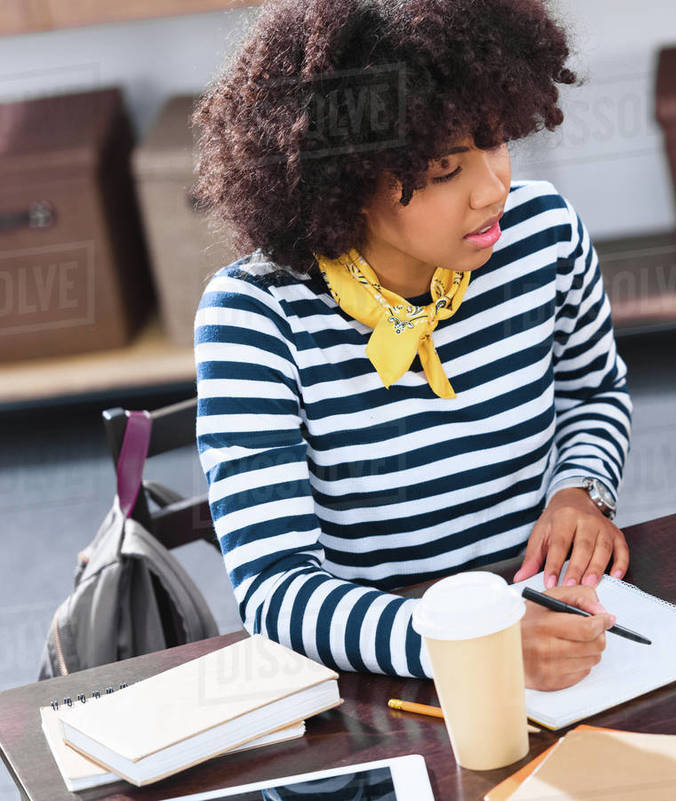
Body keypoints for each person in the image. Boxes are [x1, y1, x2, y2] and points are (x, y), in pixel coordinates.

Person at [191, 0, 632, 690]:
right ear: (346, 178)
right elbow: (275, 588)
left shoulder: (546, 236)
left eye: (494, 142)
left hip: (551, 632)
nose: (492, 189)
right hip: (388, 680)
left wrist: (583, 489)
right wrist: (470, 646)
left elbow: (593, 393)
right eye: (443, 170)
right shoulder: (255, 318)